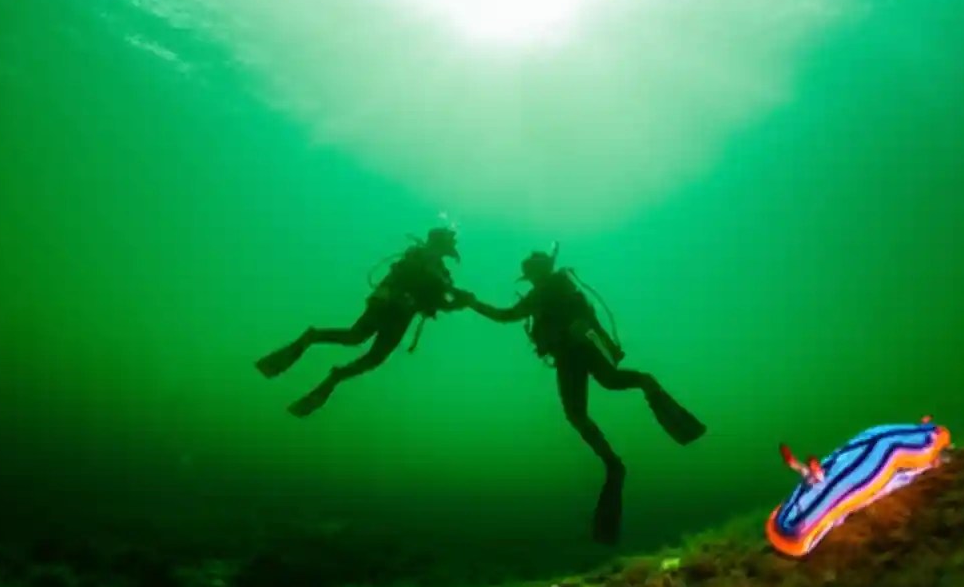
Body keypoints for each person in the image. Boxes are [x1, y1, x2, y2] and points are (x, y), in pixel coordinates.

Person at [454, 245, 706, 545]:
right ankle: (616, 457)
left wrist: (472, 303)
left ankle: (618, 453)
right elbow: (511, 315)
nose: (534, 278)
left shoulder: (554, 289)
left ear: (539, 271)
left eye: (534, 273)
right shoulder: (551, 290)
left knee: (591, 400)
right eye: (532, 274)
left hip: (578, 352)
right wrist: (472, 303)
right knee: (587, 404)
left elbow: (508, 315)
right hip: (571, 355)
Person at [255, 226, 468, 418]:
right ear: (440, 242)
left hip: (400, 313)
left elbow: (436, 300)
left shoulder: (439, 268)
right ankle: (321, 355)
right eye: (450, 242)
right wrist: (452, 294)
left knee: (368, 352)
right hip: (390, 306)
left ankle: (330, 372)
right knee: (357, 340)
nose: (453, 246)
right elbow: (429, 282)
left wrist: (457, 302)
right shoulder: (423, 257)